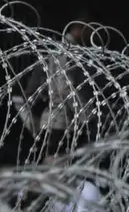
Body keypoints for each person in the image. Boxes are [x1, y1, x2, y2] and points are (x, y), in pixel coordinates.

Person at [39, 21, 95, 160]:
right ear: (80, 29)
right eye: (90, 30)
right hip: (62, 119)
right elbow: (64, 88)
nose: (91, 35)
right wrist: (85, 114)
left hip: (55, 116)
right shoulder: (69, 50)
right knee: (59, 164)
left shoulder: (58, 48)